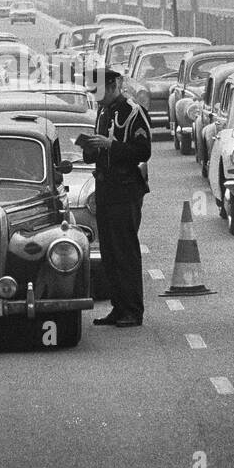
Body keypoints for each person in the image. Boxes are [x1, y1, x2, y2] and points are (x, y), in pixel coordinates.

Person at [82, 68, 152, 328]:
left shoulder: (133, 112)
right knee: (109, 252)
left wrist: (111, 145)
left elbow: (143, 151)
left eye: (99, 92)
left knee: (125, 251)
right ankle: (118, 306)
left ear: (113, 86)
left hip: (125, 188)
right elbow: (96, 151)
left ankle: (133, 310)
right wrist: (90, 148)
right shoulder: (102, 111)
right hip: (105, 188)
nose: (97, 99)